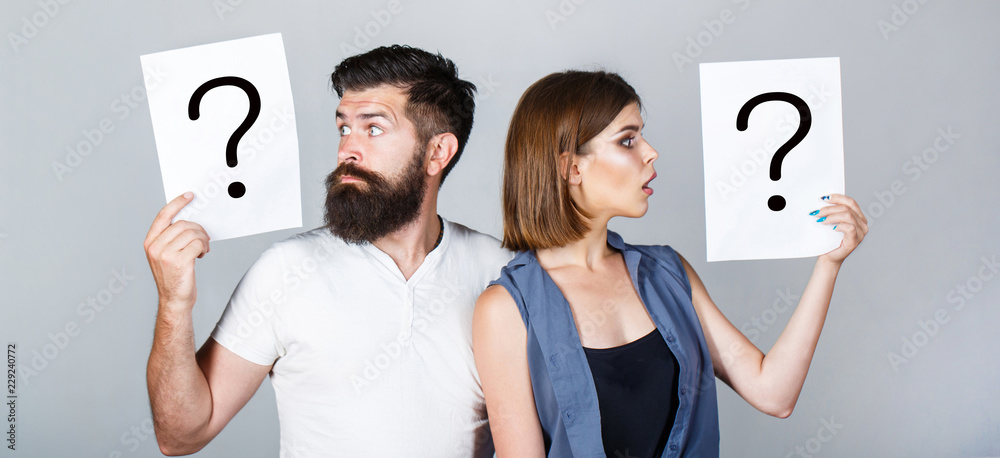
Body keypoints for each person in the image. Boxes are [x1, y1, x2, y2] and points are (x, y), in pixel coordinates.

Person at [473, 71, 868, 458]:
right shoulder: (506, 309)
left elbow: (774, 393)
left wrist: (828, 264)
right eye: (628, 140)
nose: (650, 151)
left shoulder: (668, 272)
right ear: (571, 168)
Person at [144, 45, 512, 457]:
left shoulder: (503, 273)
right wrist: (173, 304)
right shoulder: (286, 270)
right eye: (343, 129)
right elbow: (181, 436)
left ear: (437, 152)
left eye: (372, 129)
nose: (346, 151)